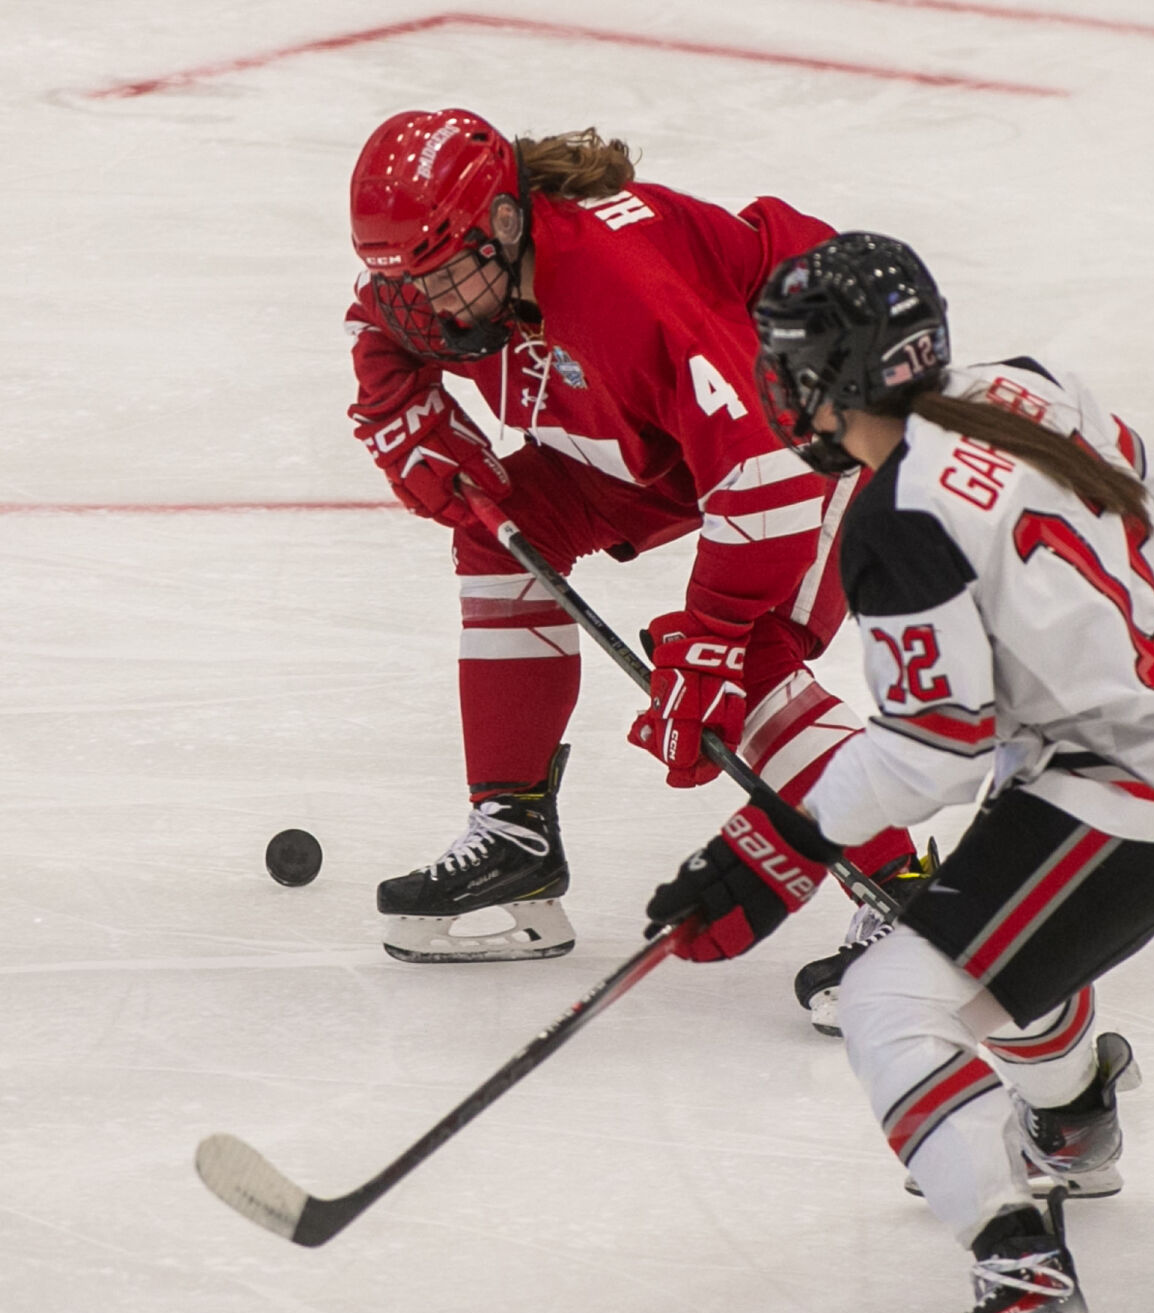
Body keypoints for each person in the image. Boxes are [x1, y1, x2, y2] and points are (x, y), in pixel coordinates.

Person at [646, 232, 1154, 1313]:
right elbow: (1149, 496)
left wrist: (774, 836)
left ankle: (1030, 1301)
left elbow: (933, 748)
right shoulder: (1020, 383)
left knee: (892, 995)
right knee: (977, 940)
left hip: (1140, 789)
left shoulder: (897, 514)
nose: (775, 385)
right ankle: (1075, 1120)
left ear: (833, 375)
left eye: (785, 363)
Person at [345, 109, 931, 1006]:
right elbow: (387, 327)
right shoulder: (460, 275)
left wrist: (712, 636)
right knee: (503, 526)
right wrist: (396, 405)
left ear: (505, 225)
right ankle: (516, 836)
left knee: (752, 650)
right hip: (672, 435)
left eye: (441, 278)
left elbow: (766, 485)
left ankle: (913, 904)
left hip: (820, 419)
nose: (426, 305)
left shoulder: (619, 290)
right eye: (407, 280)